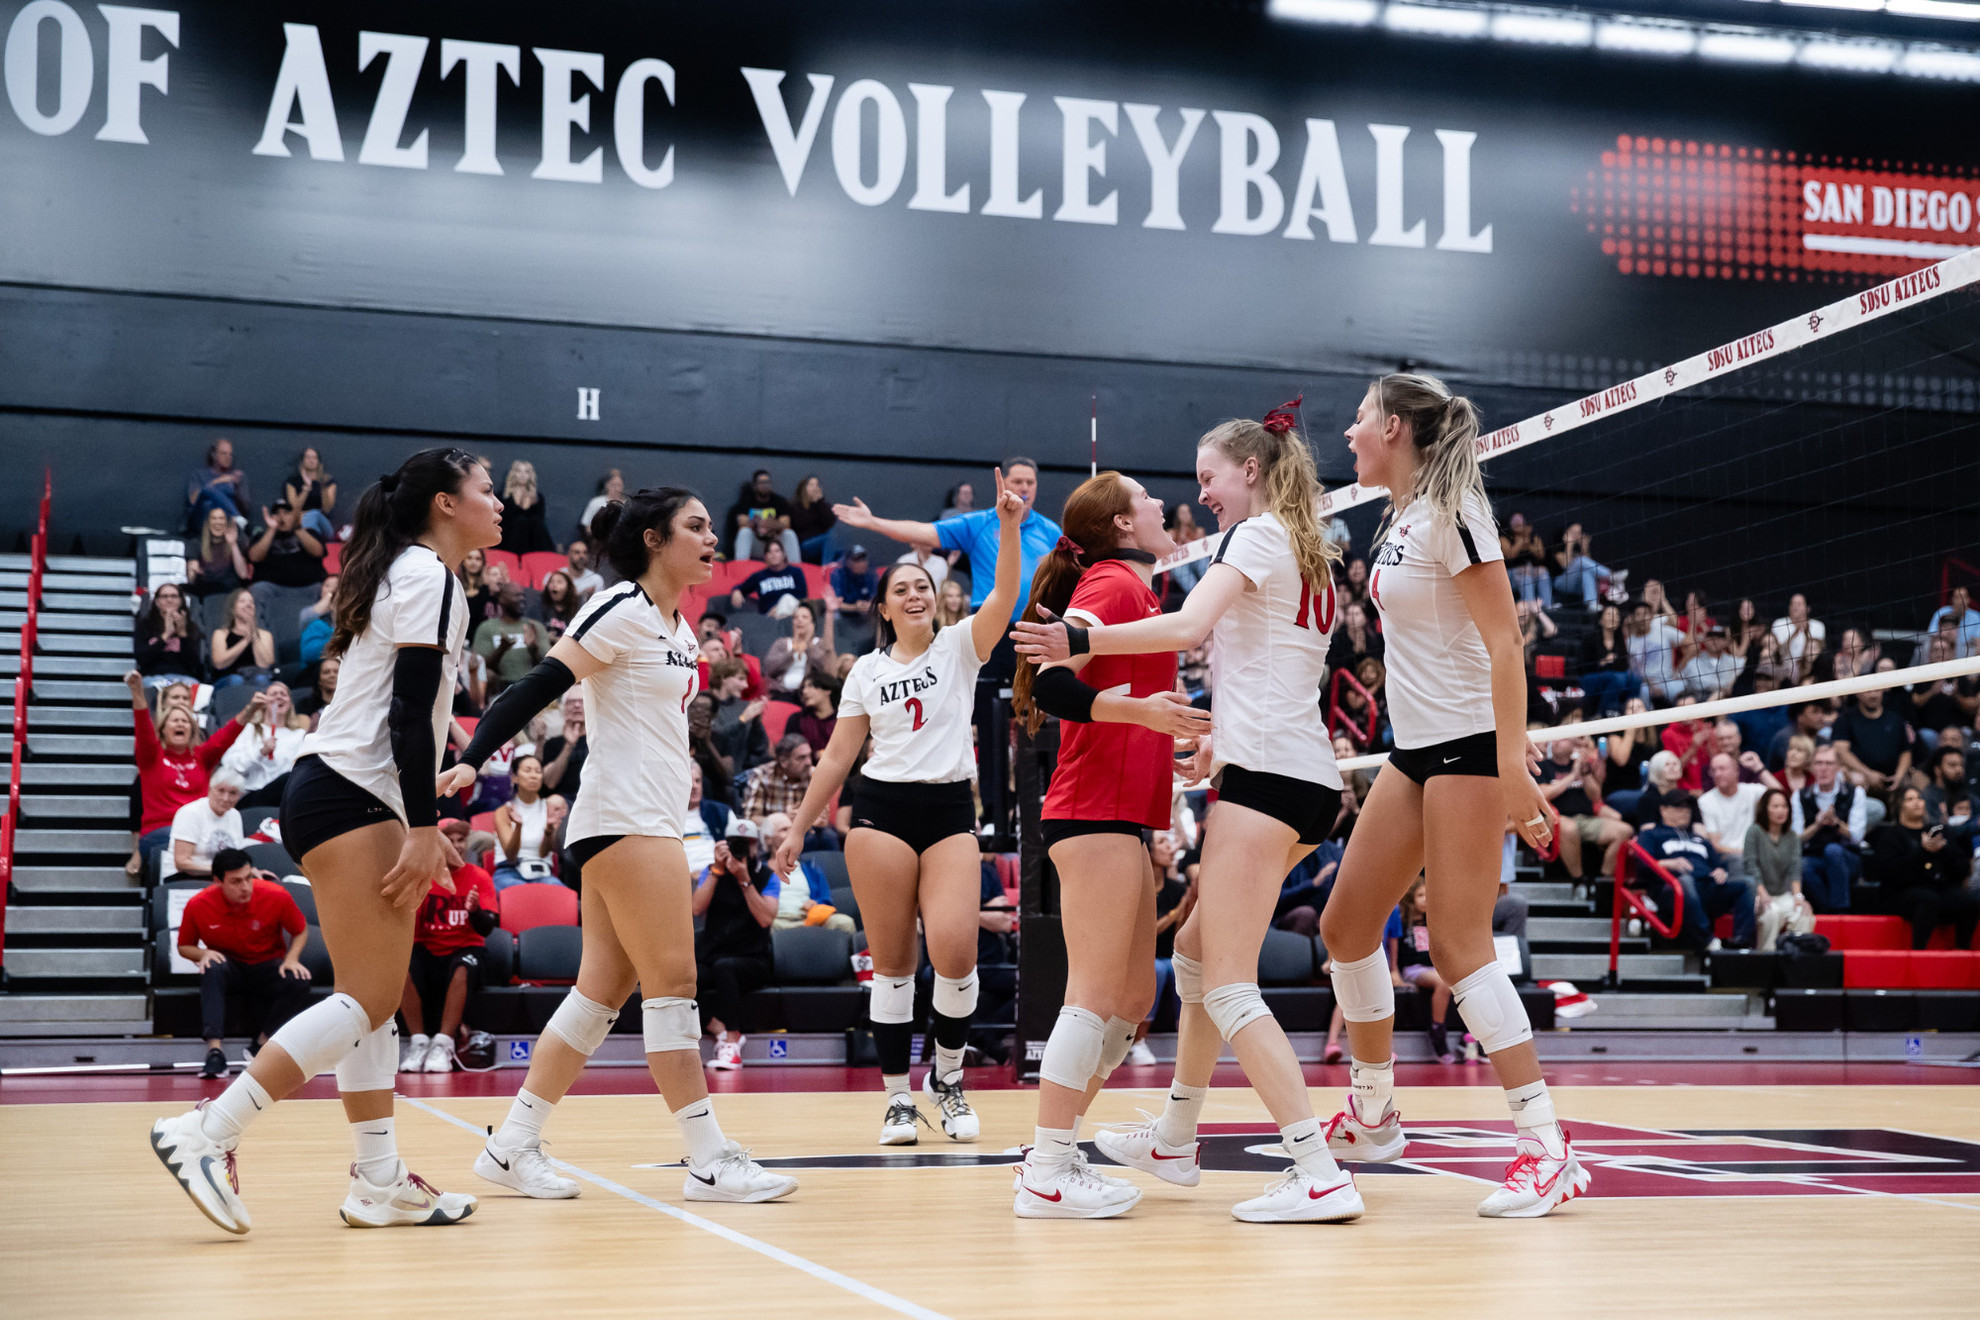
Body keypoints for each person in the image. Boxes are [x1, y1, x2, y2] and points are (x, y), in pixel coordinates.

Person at [1234, 374, 1579, 1217]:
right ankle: (1376, 1111)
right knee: (1348, 928)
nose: (1348, 433)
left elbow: (1506, 646)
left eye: (1358, 420)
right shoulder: (1404, 515)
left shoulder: (1460, 511)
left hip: (1466, 749)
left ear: (1393, 427)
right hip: (1415, 749)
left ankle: (1547, 1147)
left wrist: (1511, 768)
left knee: (1460, 948)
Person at [1019, 400, 1367, 1223]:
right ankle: (1175, 1134)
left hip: (1261, 779)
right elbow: (1271, 665)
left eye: (1207, 477)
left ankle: (1316, 1170)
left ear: (1250, 470)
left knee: (1224, 985)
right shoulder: (1310, 546)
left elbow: (1187, 628)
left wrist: (1084, 645)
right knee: (1197, 955)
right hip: (1304, 778)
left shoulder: (1252, 536)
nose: (1196, 495)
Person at [149, 446, 498, 1235]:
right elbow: (409, 714)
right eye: (485, 488)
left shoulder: (411, 574)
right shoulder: (428, 577)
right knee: (370, 997)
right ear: (445, 503)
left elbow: (406, 714)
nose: (497, 501)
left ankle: (377, 1181)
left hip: (337, 792)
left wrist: (415, 817)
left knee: (373, 1004)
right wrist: (417, 824)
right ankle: (207, 1131)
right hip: (352, 797)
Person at [446, 484, 798, 1205]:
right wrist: (476, 752)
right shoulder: (619, 607)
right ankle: (707, 1157)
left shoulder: (681, 628)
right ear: (652, 540)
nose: (711, 539)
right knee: (674, 983)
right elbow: (541, 683)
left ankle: (512, 1143)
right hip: (625, 819)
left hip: (646, 819)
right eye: (696, 527)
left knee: (600, 995)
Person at [776, 467, 1027, 1151]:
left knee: (954, 951)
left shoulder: (961, 647)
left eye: (923, 586)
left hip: (948, 810)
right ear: (883, 608)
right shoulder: (865, 672)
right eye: (902, 589)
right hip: (880, 813)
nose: (915, 594)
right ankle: (896, 1100)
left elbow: (1006, 594)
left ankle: (947, 1083)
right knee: (892, 964)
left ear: (936, 602)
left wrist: (1005, 528)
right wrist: (799, 828)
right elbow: (836, 760)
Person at [1006, 470, 1212, 1217]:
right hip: (1091, 811)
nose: (1164, 506)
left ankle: (1047, 1153)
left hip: (1123, 811)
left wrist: (1170, 735)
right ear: (1125, 524)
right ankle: (1050, 1169)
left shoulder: (1139, 591)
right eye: (1149, 499)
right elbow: (1052, 683)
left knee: (1129, 999)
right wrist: (1141, 717)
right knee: (1094, 996)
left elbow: (1118, 695)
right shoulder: (1115, 586)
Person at [178, 848, 312, 1078]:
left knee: (298, 979)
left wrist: (291, 959)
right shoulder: (198, 904)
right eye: (236, 881)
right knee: (211, 967)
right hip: (231, 967)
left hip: (267, 964)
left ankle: (261, 1044)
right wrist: (202, 954)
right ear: (218, 881)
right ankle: (215, 1053)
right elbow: (184, 946)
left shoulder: (276, 894)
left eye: (249, 877)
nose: (246, 886)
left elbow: (300, 930)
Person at [127, 670, 256, 875]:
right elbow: (143, 728)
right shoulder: (151, 757)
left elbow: (226, 736)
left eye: (185, 721)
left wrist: (251, 710)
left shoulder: (201, 756)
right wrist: (137, 693)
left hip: (201, 831)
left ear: (192, 729)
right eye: (174, 720)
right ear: (162, 729)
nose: (180, 723)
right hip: (160, 833)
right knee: (197, 843)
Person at [400, 817, 499, 1074]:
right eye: (450, 841)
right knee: (401, 967)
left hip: (467, 946)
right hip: (428, 946)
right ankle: (419, 1042)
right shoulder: (424, 876)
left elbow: (487, 927)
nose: (456, 846)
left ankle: (443, 1044)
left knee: (462, 967)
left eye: (461, 840)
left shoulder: (479, 876)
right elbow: (411, 928)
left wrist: (475, 911)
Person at [693, 819, 781, 1071]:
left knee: (726, 967)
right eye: (735, 843)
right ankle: (718, 1028)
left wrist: (744, 880)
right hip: (713, 954)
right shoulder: (712, 873)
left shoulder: (767, 877)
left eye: (748, 843)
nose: (742, 848)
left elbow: (765, 919)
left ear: (756, 845)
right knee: (684, 976)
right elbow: (696, 909)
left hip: (753, 959)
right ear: (725, 845)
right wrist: (718, 871)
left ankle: (732, 1042)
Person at [1634, 794, 1756, 950]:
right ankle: (1708, 942)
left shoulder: (1700, 840)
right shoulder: (1652, 835)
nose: (1685, 812)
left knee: (1746, 884)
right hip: (1671, 890)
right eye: (1678, 808)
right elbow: (1642, 865)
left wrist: (1721, 870)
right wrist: (1668, 863)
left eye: (1687, 808)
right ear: (1663, 810)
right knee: (1685, 881)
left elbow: (1719, 863)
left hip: (1706, 887)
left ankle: (1743, 942)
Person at [1870, 785, 1978, 950]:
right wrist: (1922, 852)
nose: (1917, 803)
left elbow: (1962, 868)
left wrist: (1944, 850)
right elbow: (1893, 874)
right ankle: (1918, 952)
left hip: (1938, 890)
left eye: (1919, 798)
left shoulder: (1939, 832)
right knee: (1928, 899)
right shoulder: (1891, 836)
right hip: (1902, 894)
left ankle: (1962, 949)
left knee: (1970, 902)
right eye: (1910, 799)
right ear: (1900, 805)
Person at [1538, 734, 1633, 882]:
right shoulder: (1543, 766)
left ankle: (1603, 879)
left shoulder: (1581, 766)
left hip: (1585, 818)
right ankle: (1579, 880)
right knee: (1569, 829)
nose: (1556, 741)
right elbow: (1543, 794)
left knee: (1624, 831)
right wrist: (1572, 776)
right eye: (1554, 739)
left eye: (1562, 739)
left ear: (1573, 746)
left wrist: (1584, 771)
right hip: (1555, 818)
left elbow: (1595, 796)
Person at [1789, 744, 1868, 913]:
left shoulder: (1855, 793)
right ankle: (1832, 913)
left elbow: (1857, 837)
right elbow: (1795, 840)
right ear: (1811, 767)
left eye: (1828, 763)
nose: (1823, 769)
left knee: (1833, 851)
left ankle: (1840, 911)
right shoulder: (1800, 796)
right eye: (1818, 763)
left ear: (1838, 767)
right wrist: (1817, 825)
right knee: (1802, 865)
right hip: (1815, 857)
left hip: (1847, 857)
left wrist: (1836, 824)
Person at [1393, 879, 1458, 1062]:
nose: (1425, 900)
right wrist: (1394, 972)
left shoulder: (1435, 920)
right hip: (1413, 969)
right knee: (1443, 983)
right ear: (1410, 898)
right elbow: (1393, 948)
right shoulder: (1402, 919)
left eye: (1429, 895)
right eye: (1421, 895)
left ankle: (1473, 1036)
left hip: (1434, 968)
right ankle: (1438, 1033)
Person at [219, 681, 310, 808]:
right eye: (273, 694)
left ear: (289, 703)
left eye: (283, 694)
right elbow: (230, 764)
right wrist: (260, 752)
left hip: (286, 797)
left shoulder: (299, 735)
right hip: (252, 795)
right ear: (264, 702)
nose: (279, 697)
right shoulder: (249, 729)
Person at [761, 813, 854, 933]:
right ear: (768, 839)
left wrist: (815, 903)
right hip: (778, 921)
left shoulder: (810, 866)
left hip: (809, 919)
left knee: (845, 923)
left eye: (792, 829)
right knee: (765, 928)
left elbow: (825, 898)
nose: (790, 833)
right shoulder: (760, 870)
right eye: (784, 830)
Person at [1745, 789, 1812, 953]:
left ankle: (1795, 959)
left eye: (1784, 806)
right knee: (1771, 913)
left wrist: (1798, 897)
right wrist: (1763, 893)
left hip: (1783, 894)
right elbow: (1751, 866)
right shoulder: (1754, 832)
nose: (1781, 811)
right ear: (1765, 809)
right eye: (1775, 806)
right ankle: (1765, 957)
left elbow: (1795, 868)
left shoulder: (1792, 837)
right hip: (1759, 893)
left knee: (1802, 913)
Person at [491, 754, 566, 890]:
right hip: (509, 872)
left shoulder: (548, 808)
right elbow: (510, 855)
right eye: (527, 770)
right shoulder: (504, 811)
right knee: (521, 893)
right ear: (514, 777)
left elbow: (544, 853)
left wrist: (549, 831)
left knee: (559, 893)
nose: (534, 776)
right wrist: (519, 826)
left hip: (541, 871)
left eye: (538, 771)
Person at [1832, 686, 1915, 805]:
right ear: (1858, 693)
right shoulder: (1845, 719)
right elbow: (1841, 751)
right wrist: (1868, 774)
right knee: (1856, 779)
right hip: (1862, 775)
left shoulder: (1895, 718)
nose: (1873, 695)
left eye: (1877, 690)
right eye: (1868, 691)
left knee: (1912, 780)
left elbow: (1905, 751)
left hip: (1892, 777)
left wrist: (1899, 775)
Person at [1697, 753, 1773, 880]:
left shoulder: (1752, 791)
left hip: (1756, 852)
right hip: (1728, 857)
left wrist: (1759, 768)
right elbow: (1716, 845)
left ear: (1736, 771)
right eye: (1714, 770)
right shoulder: (1706, 801)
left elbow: (1781, 795)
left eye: (1722, 769)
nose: (1717, 774)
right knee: (1742, 862)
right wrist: (1746, 854)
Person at [473, 581, 549, 695]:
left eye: (523, 595)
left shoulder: (535, 626)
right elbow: (480, 667)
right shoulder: (487, 627)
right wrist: (501, 650)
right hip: (501, 686)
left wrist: (533, 648)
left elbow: (548, 664)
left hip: (532, 684)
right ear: (502, 599)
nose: (522, 599)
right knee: (487, 674)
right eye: (517, 595)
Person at [168, 771, 247, 879]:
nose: (225, 798)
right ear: (210, 790)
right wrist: (223, 871)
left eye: (233, 793)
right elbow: (182, 862)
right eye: (221, 790)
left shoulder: (235, 815)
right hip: (185, 877)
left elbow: (236, 857)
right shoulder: (190, 813)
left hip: (222, 878)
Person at [246, 499, 328, 590]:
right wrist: (271, 530)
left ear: (293, 516)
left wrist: (297, 528)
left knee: (322, 588)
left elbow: (318, 552)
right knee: (257, 589)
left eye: (286, 513)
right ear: (271, 517)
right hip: (272, 590)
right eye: (276, 513)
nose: (281, 516)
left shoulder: (310, 533)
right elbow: (254, 557)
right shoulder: (261, 537)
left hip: (308, 587)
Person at [725, 469, 802, 563]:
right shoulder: (746, 501)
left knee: (789, 534)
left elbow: (786, 523)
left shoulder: (779, 501)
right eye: (761, 483)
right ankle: (741, 567)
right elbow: (742, 522)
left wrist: (774, 524)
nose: (765, 486)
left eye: (767, 482)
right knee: (744, 532)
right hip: (757, 544)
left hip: (774, 543)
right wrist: (758, 523)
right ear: (754, 486)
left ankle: (796, 569)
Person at [135, 583, 205, 684]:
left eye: (174, 596)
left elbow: (194, 664)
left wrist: (183, 634)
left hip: (184, 678)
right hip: (153, 676)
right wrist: (165, 635)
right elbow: (142, 659)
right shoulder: (146, 625)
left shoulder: (191, 627)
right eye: (164, 596)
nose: (169, 600)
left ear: (181, 600)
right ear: (157, 601)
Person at [763, 602, 835, 699]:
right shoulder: (782, 643)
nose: (799, 620)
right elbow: (769, 669)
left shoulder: (818, 644)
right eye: (796, 617)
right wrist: (792, 651)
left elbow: (823, 669)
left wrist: (808, 645)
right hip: (781, 693)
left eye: (804, 617)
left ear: (812, 623)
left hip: (809, 695)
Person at [209, 589, 275, 689]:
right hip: (228, 679)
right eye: (242, 601)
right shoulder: (221, 633)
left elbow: (265, 665)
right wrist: (246, 640)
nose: (248, 605)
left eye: (251, 602)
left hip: (257, 676)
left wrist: (254, 634)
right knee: (236, 680)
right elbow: (219, 663)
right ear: (233, 609)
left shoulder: (265, 635)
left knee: (261, 679)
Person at [185, 437, 253, 529]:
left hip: (228, 522)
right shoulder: (199, 475)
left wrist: (236, 488)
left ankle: (236, 517)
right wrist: (217, 481)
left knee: (226, 489)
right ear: (214, 455)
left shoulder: (236, 477)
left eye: (230, 454)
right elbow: (193, 500)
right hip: (202, 521)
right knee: (208, 492)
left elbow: (246, 508)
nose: (228, 457)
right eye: (223, 453)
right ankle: (237, 516)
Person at [187, 505, 253, 598]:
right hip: (204, 589)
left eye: (221, 518)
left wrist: (233, 544)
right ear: (208, 522)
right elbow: (191, 580)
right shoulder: (197, 543)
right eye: (213, 518)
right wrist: (192, 570)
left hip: (228, 591)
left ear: (226, 522)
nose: (217, 522)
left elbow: (243, 574)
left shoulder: (238, 542)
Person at [730, 541, 806, 615]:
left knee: (787, 598)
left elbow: (803, 596)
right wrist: (737, 591)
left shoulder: (795, 572)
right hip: (769, 618)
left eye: (777, 551)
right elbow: (741, 587)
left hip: (793, 614)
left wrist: (778, 607)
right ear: (765, 557)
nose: (773, 555)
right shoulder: (759, 576)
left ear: (783, 554)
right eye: (770, 552)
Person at [497, 459, 556, 555]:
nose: (522, 475)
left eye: (526, 472)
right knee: (520, 521)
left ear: (530, 475)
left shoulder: (538, 498)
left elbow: (539, 523)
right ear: (513, 474)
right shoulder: (503, 496)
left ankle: (545, 557)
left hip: (532, 542)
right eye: (519, 471)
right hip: (509, 541)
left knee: (535, 522)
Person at [541, 692, 589, 800]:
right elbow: (550, 783)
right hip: (561, 805)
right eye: (571, 702)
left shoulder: (599, 740)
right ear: (564, 709)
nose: (577, 705)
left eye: (582, 701)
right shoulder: (552, 744)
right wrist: (569, 745)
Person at [284, 448, 339, 542]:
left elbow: (327, 509)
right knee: (311, 516)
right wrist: (306, 488)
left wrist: (322, 485)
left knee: (314, 514)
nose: (311, 460)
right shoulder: (292, 482)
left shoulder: (328, 481)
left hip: (324, 526)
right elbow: (294, 509)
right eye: (308, 457)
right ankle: (312, 544)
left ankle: (309, 543)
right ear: (302, 461)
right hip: (299, 524)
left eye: (314, 457)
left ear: (318, 461)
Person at [1499, 513, 1552, 609]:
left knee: (1542, 571)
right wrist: (1520, 542)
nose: (1518, 524)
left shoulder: (1533, 537)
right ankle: (1529, 608)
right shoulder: (1504, 537)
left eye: (1520, 522)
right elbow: (1509, 555)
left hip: (1531, 573)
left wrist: (1528, 543)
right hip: (1509, 576)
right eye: (1515, 522)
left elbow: (1541, 555)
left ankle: (1547, 606)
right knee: (1525, 573)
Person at [1771, 593, 1826, 675]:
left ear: (1808, 608)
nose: (1794, 607)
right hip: (1783, 668)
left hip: (1810, 670)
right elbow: (1777, 652)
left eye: (1799, 604)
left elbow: (1818, 652)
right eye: (1792, 604)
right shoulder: (1778, 624)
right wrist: (1793, 635)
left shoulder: (1818, 626)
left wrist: (1806, 632)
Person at [1680, 626, 1740, 700]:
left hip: (1728, 701)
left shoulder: (1735, 662)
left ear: (1726, 641)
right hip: (1700, 700)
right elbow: (1699, 684)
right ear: (1704, 639)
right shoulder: (1694, 662)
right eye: (1711, 636)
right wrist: (1724, 686)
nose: (1715, 640)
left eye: (1720, 637)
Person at [789, 475, 837, 563]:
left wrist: (820, 502)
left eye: (817, 485)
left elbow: (830, 523)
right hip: (804, 546)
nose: (815, 488)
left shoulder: (823, 506)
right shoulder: (795, 507)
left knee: (838, 541)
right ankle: (825, 569)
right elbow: (801, 523)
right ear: (804, 489)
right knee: (830, 538)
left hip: (823, 543)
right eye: (811, 485)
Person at [792, 670, 840, 756]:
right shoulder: (797, 719)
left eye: (811, 686)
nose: (805, 691)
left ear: (827, 690)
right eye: (803, 687)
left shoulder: (841, 721)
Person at [1927, 585, 1980, 659]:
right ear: (1952, 599)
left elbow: (1978, 643)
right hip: (1943, 650)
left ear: (1969, 599)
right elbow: (1932, 638)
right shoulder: (1941, 612)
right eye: (1958, 597)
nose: (1961, 601)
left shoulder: (1976, 617)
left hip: (1965, 653)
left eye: (1964, 597)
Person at [299, 576, 339, 666]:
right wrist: (330, 595)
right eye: (327, 586)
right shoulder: (316, 624)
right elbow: (309, 655)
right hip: (317, 669)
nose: (331, 589)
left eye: (336, 587)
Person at [534, 570, 582, 637]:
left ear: (568, 587)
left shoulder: (577, 610)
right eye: (551, 582)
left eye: (559, 582)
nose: (554, 585)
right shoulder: (540, 606)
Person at [578, 469, 624, 540]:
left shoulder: (627, 505)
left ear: (623, 486)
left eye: (618, 485)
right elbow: (587, 526)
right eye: (613, 485)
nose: (615, 488)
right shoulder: (596, 502)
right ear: (607, 485)